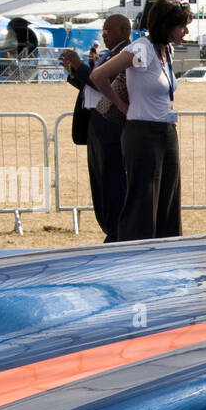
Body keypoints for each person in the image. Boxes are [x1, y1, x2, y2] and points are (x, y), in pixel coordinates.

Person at [91, 0, 191, 241]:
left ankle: (168, 252)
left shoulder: (167, 49)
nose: (186, 31)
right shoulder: (140, 49)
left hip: (166, 131)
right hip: (142, 133)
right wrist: (121, 105)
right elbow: (99, 75)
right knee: (142, 200)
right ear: (167, 25)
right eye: (182, 26)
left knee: (169, 196)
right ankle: (135, 254)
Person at [61, 14, 132, 242]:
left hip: (111, 130)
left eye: (108, 29)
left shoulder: (124, 54)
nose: (104, 34)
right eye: (103, 29)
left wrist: (81, 66)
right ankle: (111, 230)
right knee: (101, 185)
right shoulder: (109, 54)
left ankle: (117, 232)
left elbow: (105, 84)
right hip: (97, 128)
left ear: (123, 30)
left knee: (112, 185)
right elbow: (92, 86)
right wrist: (75, 72)